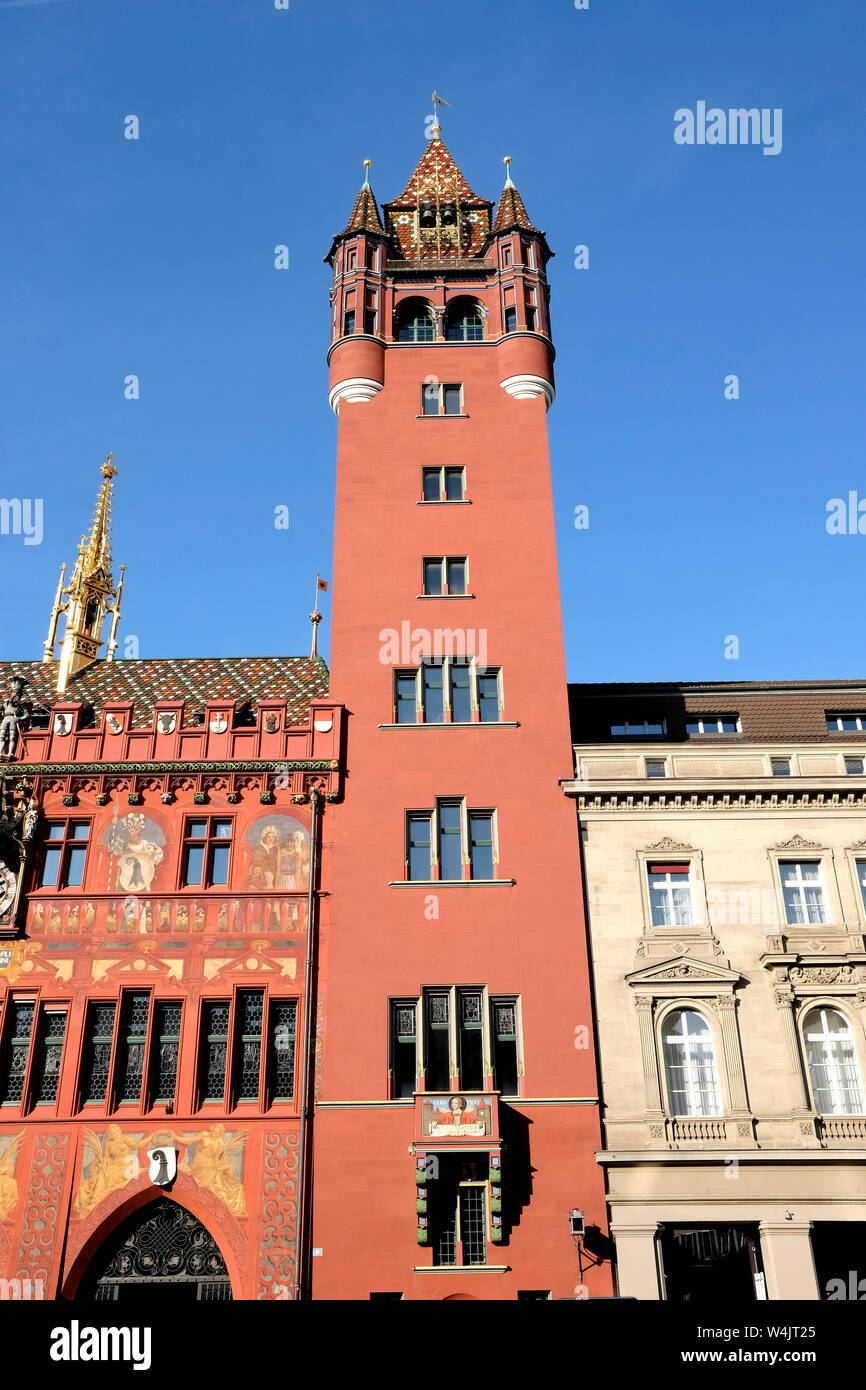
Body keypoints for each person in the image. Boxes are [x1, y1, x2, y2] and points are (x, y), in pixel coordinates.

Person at [0, 675, 30, 759]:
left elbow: (27, 715)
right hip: (5, 719)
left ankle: (10, 753)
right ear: (11, 693)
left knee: (12, 737)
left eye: (18, 693)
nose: (15, 694)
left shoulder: (20, 706)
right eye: (14, 692)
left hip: (14, 720)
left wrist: (19, 718)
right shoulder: (6, 704)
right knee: (2, 736)